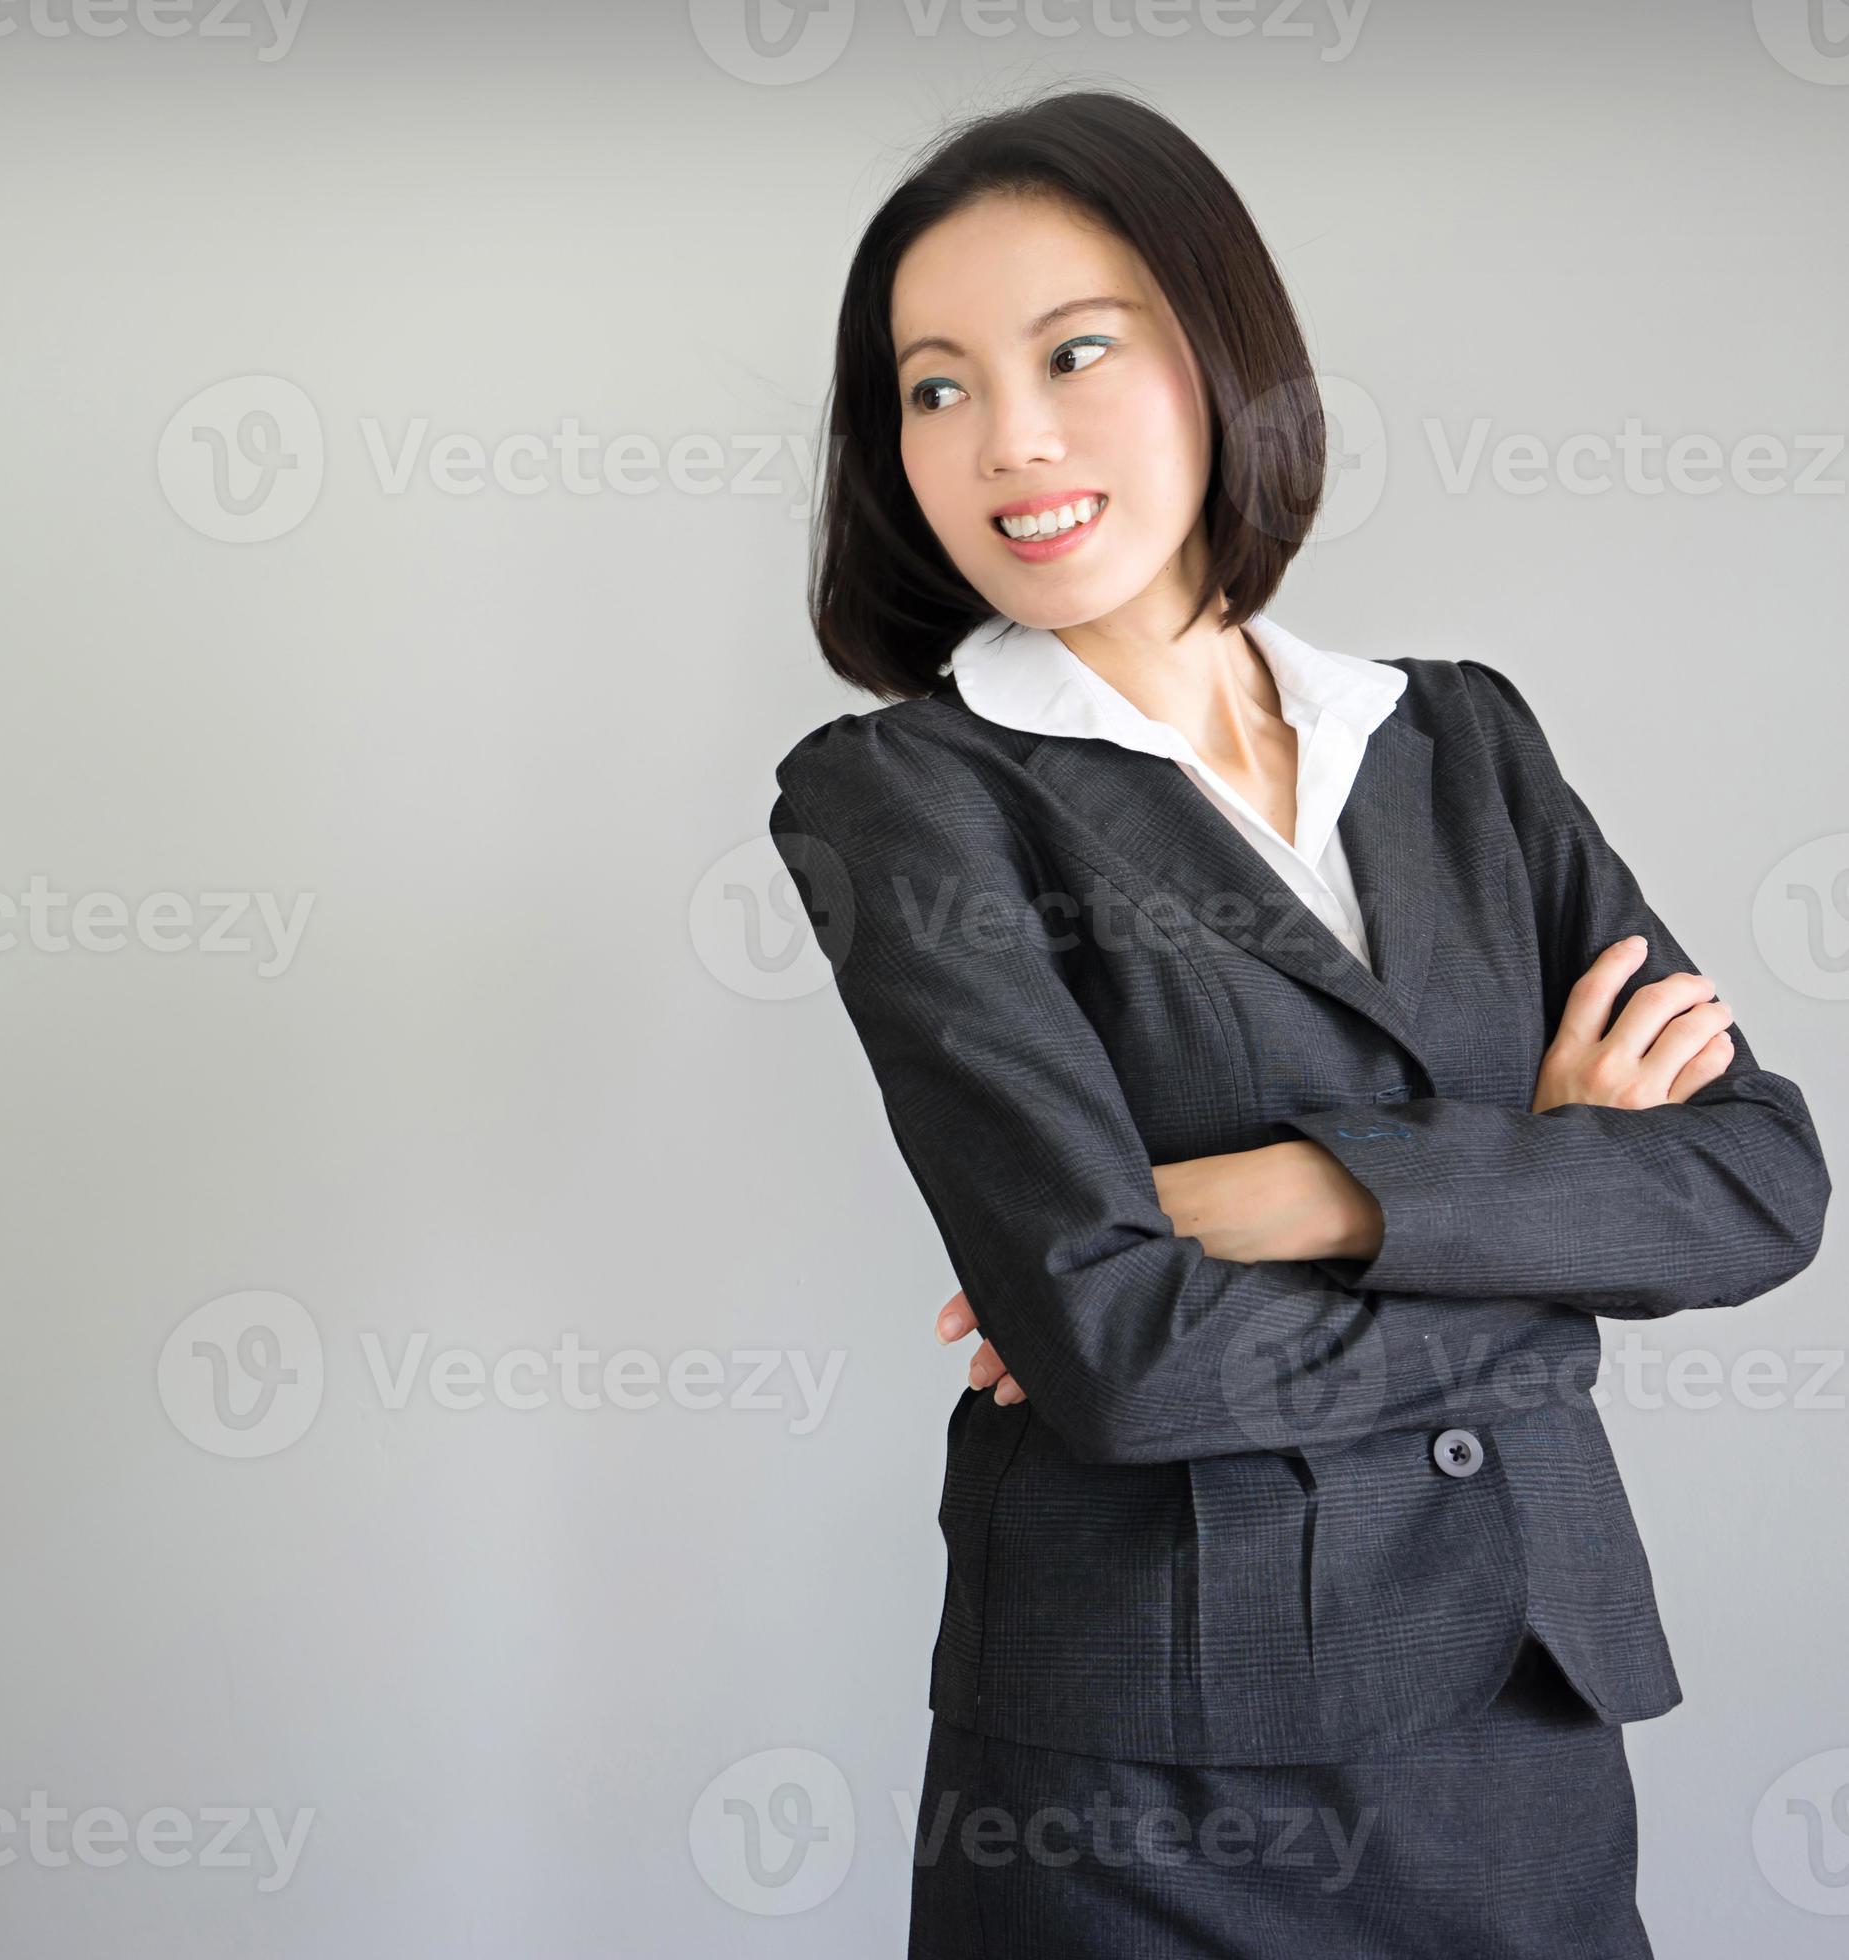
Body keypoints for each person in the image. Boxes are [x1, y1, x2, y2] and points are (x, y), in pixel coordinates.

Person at [769, 88, 1829, 1956]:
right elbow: (1120, 1351)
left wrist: (1312, 1194)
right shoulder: (907, 796)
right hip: (1148, 1793)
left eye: (1074, 353)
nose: (1007, 440)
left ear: (1222, 353)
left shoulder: (1460, 741)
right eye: (934, 389)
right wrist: (1548, 1200)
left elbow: (1756, 1184)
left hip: (1525, 1719)